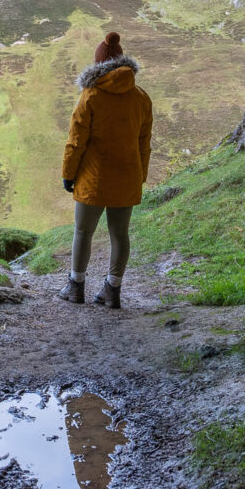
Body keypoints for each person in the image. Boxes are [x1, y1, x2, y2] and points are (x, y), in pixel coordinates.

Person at [57, 31, 153, 309]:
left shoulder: (91, 96)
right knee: (120, 235)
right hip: (128, 177)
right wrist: (141, 176)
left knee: (83, 232)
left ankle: (75, 286)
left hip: (94, 178)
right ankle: (113, 289)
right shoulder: (141, 97)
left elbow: (76, 141)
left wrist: (68, 174)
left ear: (98, 64)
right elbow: (144, 143)